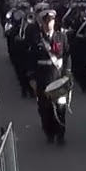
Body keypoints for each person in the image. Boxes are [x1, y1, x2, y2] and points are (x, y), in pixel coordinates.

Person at [26, 8, 70, 145]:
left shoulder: (61, 37)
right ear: (42, 23)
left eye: (50, 21)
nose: (48, 24)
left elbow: (67, 55)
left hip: (58, 77)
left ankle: (61, 134)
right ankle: (49, 133)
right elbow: (30, 59)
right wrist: (32, 78)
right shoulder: (36, 39)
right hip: (43, 78)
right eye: (46, 22)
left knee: (61, 107)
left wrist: (67, 72)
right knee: (45, 108)